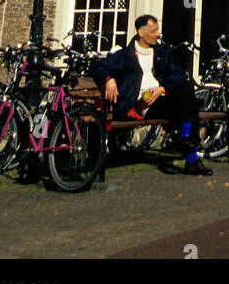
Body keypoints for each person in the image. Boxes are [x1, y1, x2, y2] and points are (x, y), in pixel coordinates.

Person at [90, 15, 212, 176]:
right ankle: (191, 157)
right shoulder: (125, 56)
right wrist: (109, 79)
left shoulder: (162, 52)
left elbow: (180, 73)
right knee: (189, 106)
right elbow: (96, 65)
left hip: (161, 97)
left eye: (158, 31)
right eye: (154, 31)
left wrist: (162, 88)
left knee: (186, 89)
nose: (158, 34)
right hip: (143, 104)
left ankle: (185, 137)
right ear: (141, 32)